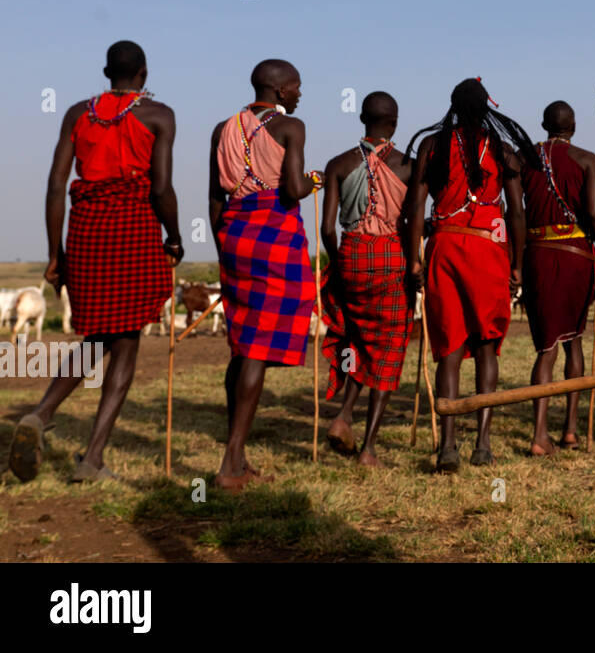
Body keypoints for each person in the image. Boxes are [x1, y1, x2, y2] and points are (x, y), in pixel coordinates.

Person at [8, 41, 182, 482]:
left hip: (85, 231)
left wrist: (54, 255)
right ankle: (92, 458)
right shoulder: (159, 115)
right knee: (125, 341)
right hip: (134, 228)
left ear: (107, 72)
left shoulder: (76, 114)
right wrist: (176, 236)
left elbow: (54, 186)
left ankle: (43, 414)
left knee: (101, 333)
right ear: (143, 74)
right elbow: (161, 188)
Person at [403, 78, 538, 471]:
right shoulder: (502, 150)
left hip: (444, 246)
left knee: (448, 346)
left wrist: (414, 259)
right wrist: (516, 264)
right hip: (488, 250)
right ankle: (482, 444)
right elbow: (517, 213)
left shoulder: (431, 146)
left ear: (453, 107)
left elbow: (415, 207)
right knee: (485, 344)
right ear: (487, 110)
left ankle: (447, 446)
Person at [209, 59, 318, 493]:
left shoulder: (223, 127)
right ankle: (230, 463)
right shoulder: (291, 127)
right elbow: (291, 189)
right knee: (255, 348)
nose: (299, 93)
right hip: (274, 236)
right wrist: (314, 180)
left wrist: (225, 249)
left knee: (242, 344)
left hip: (235, 234)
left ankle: (239, 456)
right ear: (278, 89)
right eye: (296, 86)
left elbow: (214, 196)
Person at [320, 92, 414, 467]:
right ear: (395, 123)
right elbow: (411, 224)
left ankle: (344, 416)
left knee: (355, 337)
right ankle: (369, 449)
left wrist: (338, 262)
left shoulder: (337, 164)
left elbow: (328, 228)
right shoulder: (408, 164)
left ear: (362, 118)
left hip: (351, 255)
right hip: (392, 258)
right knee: (388, 348)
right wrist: (416, 263)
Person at [519, 100, 595, 455]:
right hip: (576, 255)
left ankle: (540, 433)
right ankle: (568, 430)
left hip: (537, 254)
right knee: (575, 340)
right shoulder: (588, 160)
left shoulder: (524, 159)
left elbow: (518, 212)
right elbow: (593, 211)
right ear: (574, 127)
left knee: (546, 346)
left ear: (542, 124)